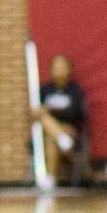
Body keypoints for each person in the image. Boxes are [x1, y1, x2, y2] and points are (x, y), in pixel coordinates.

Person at [37, 54, 89, 185]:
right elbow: (38, 112)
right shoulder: (45, 90)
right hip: (49, 134)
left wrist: (51, 109)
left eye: (62, 66)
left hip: (70, 132)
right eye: (56, 67)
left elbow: (75, 113)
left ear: (68, 69)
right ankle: (61, 139)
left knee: (53, 130)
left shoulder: (75, 90)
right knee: (47, 128)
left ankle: (50, 179)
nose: (59, 69)